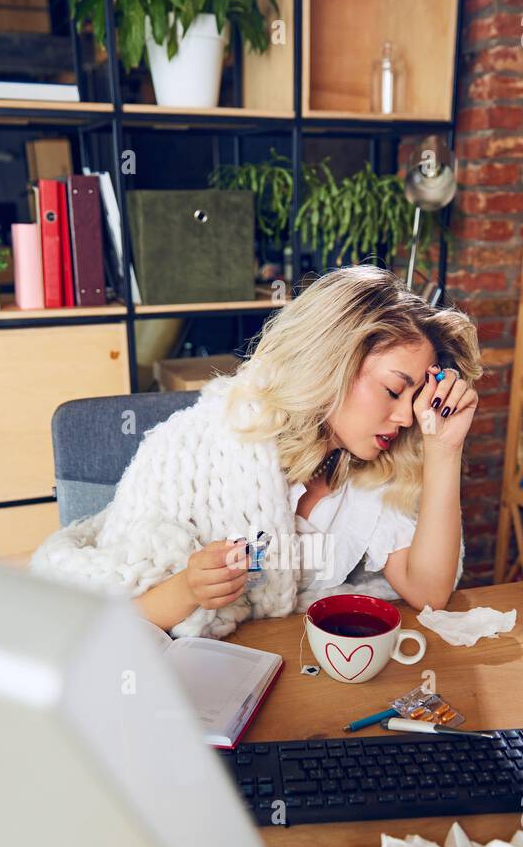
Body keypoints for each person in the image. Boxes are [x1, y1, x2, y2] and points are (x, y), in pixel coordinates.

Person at [30, 266, 483, 637]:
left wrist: (443, 449)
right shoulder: (192, 450)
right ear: (332, 364)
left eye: (416, 397)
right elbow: (109, 620)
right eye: (392, 390)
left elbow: (429, 593)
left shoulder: (376, 471)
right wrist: (190, 587)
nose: (406, 418)